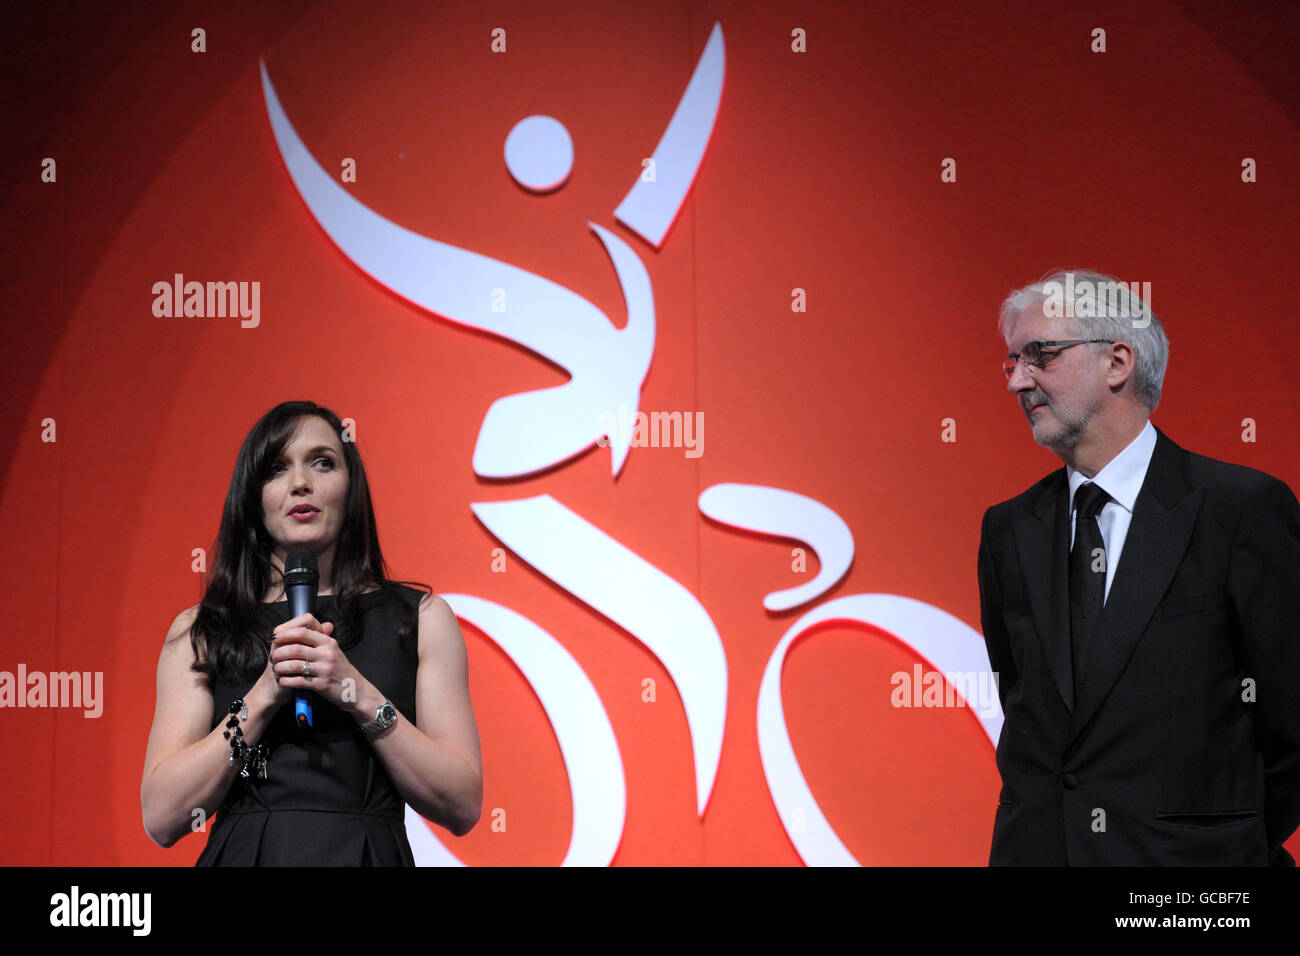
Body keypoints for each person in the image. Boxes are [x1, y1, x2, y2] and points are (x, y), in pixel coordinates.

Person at [978, 269, 1300, 865]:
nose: (1018, 381)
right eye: (1012, 363)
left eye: (1039, 355)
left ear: (1118, 362)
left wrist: (1222, 850)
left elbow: (1289, 725)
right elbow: (1026, 712)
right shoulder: (1009, 529)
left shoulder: (1241, 509)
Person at [141, 400, 482, 864]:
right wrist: (262, 697)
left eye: (323, 462)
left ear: (351, 486)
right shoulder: (204, 629)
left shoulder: (419, 617)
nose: (301, 482)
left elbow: (461, 805)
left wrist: (358, 694)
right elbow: (163, 817)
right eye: (277, 468)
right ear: (253, 496)